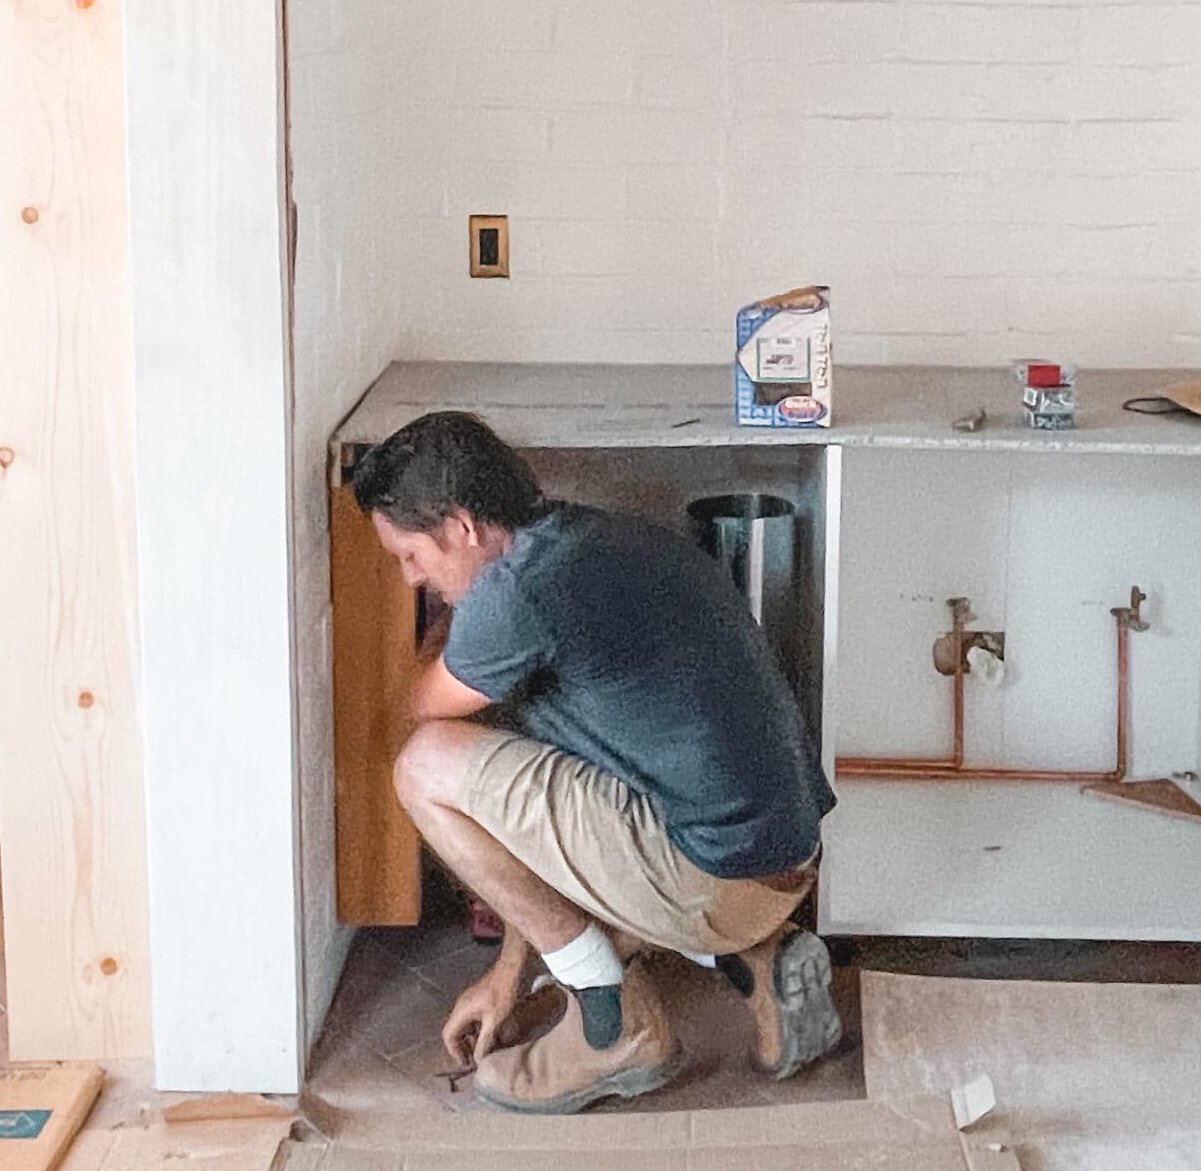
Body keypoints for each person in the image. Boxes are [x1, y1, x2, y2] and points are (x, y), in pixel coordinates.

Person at [351, 410, 841, 1115]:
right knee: (525, 766)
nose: (409, 579)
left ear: (460, 527)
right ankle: (757, 960)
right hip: (784, 859)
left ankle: (610, 1024)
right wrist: (510, 971)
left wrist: (442, 639)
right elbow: (541, 822)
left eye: (410, 555)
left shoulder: (516, 593)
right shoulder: (599, 537)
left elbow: (421, 707)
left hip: (712, 878)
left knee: (426, 766)